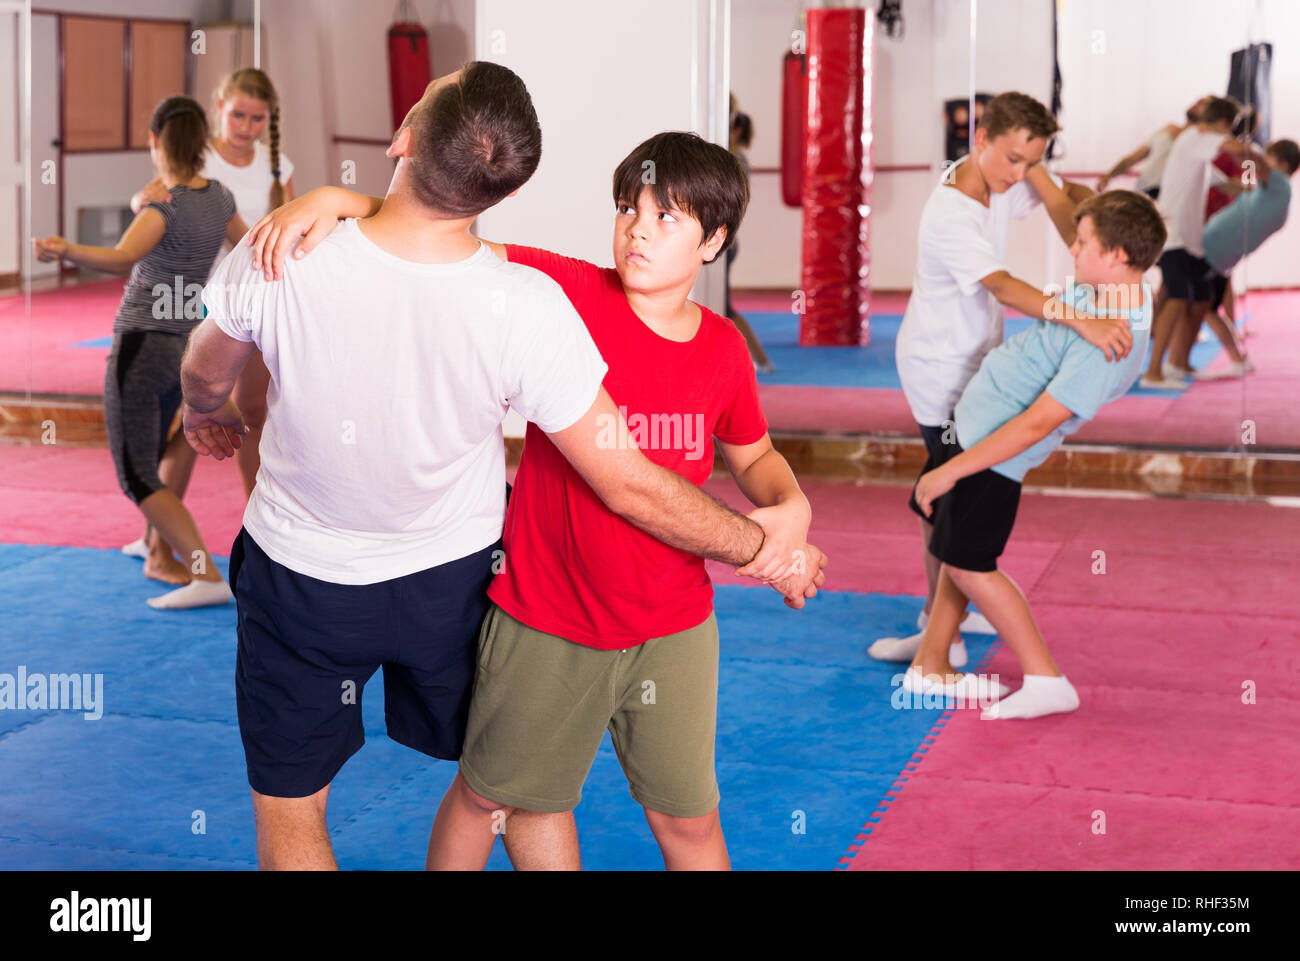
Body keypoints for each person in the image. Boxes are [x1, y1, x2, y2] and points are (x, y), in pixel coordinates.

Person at [184, 64, 824, 870]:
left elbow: (207, 374)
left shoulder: (284, 255)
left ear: (402, 141)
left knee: (306, 813)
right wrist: (762, 547)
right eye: (632, 209)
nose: (640, 229)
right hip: (497, 596)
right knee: (504, 791)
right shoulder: (544, 299)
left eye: (667, 217)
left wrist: (789, 514)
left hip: (339, 582)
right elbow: (623, 476)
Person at [872, 91, 1132, 669]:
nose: (1020, 175)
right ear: (980, 139)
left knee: (950, 491)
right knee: (944, 494)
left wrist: (1036, 167)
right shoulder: (951, 211)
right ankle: (941, 627)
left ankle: (949, 612)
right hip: (939, 369)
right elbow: (1005, 287)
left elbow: (1072, 224)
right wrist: (1081, 316)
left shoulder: (1001, 181)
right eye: (1014, 159)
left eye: (1029, 162)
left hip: (978, 362)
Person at [907, 190, 1164, 719]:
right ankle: (932, 660)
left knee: (972, 565)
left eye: (1084, 241)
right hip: (973, 425)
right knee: (955, 551)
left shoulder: (1111, 340)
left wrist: (951, 469)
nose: (1073, 248)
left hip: (992, 454)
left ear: (1117, 255)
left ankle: (1046, 678)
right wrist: (1042, 175)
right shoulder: (1105, 289)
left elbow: (1038, 423)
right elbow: (1088, 225)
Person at [32, 97, 245, 609]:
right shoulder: (219, 197)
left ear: (155, 142)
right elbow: (244, 243)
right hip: (186, 344)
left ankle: (203, 569)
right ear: (203, 144)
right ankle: (156, 542)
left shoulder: (163, 205)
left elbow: (122, 257)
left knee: (135, 472)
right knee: (166, 445)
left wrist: (66, 250)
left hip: (143, 342)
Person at [123, 69, 296, 569]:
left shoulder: (278, 165)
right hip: (196, 300)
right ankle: (155, 536)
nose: (246, 125)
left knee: (252, 417)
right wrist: (145, 205)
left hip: (256, 300)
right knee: (187, 420)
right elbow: (146, 200)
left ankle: (260, 527)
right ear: (219, 109)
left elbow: (287, 229)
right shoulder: (199, 155)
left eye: (256, 117)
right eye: (237, 114)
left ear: (269, 119)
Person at [1141, 96, 1269, 389]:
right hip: (1174, 236)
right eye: (1230, 128)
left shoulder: (1196, 151)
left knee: (1199, 300)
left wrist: (1265, 187)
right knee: (1175, 299)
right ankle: (1153, 373)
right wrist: (1262, 162)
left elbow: (1227, 183)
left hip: (1191, 241)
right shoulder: (1198, 137)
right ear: (1224, 124)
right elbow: (1235, 148)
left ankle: (1179, 364)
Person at [1194, 137, 1299, 380]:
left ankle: (1234, 358)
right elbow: (1240, 183)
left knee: (1201, 307)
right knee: (1201, 307)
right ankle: (1236, 358)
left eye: (1269, 158)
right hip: (1217, 252)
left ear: (1281, 163)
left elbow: (1257, 163)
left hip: (1214, 253)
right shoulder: (1270, 190)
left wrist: (1231, 144)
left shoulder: (1279, 184)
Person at [725, 93, 772, 372]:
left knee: (726, 310)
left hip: (727, 243)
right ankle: (759, 361)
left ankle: (760, 360)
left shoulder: (737, 159)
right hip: (726, 242)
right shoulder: (733, 157)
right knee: (724, 308)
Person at [1097, 96, 1212, 199]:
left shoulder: (1207, 140)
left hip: (1169, 196)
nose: (1197, 103)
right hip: (1142, 191)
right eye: (1198, 100)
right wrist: (1109, 175)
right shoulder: (1168, 130)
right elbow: (1133, 158)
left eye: (1204, 104)